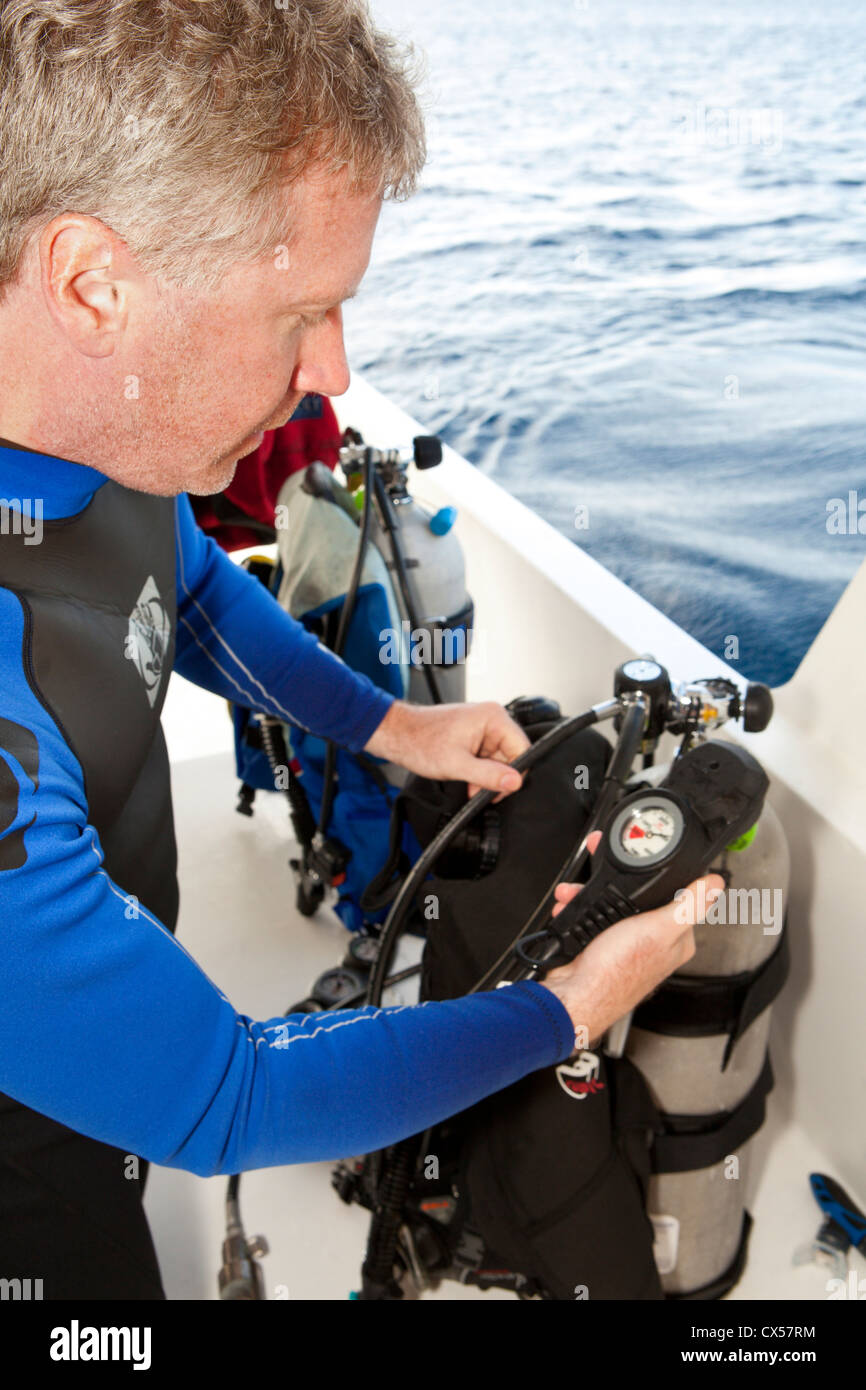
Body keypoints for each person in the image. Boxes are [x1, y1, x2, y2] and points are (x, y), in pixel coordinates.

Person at [0, 0, 721, 1300]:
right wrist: (567, 1004)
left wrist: (394, 725)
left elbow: (189, 582)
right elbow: (225, 1094)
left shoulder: (86, 437)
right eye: (302, 312)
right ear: (92, 285)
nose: (334, 373)